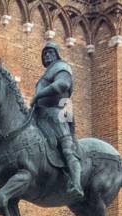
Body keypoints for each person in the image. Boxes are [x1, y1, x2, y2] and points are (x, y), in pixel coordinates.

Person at [33, 42, 83, 201]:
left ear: (57, 54)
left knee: (67, 147)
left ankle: (76, 183)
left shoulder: (61, 67)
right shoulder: (47, 73)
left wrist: (38, 96)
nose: (47, 55)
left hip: (61, 109)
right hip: (44, 112)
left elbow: (63, 84)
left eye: (50, 52)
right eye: (45, 53)